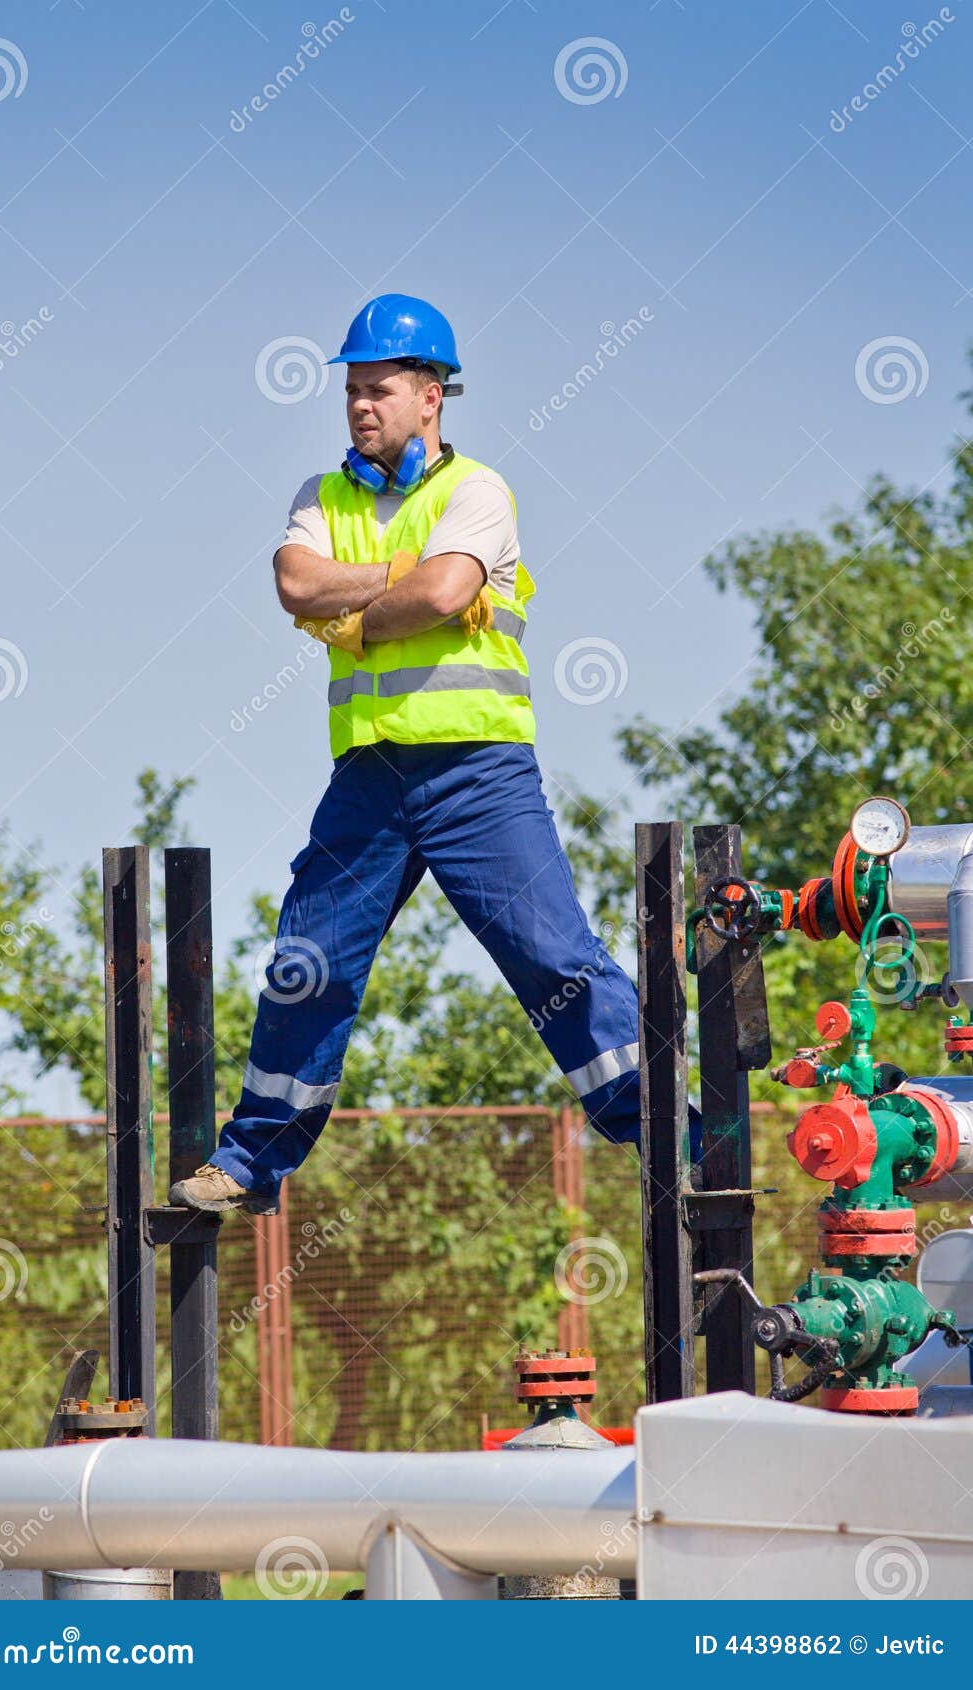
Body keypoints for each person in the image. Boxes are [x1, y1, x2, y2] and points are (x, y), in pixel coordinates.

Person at [170, 293, 647, 1216]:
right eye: (351, 390)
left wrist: (350, 619)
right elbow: (294, 582)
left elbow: (443, 594)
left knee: (555, 959)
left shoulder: (476, 491)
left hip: (479, 774)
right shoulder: (323, 495)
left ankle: (669, 1131)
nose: (359, 406)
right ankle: (246, 1164)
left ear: (431, 396)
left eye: (378, 388)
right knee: (306, 962)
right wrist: (394, 581)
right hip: (370, 779)